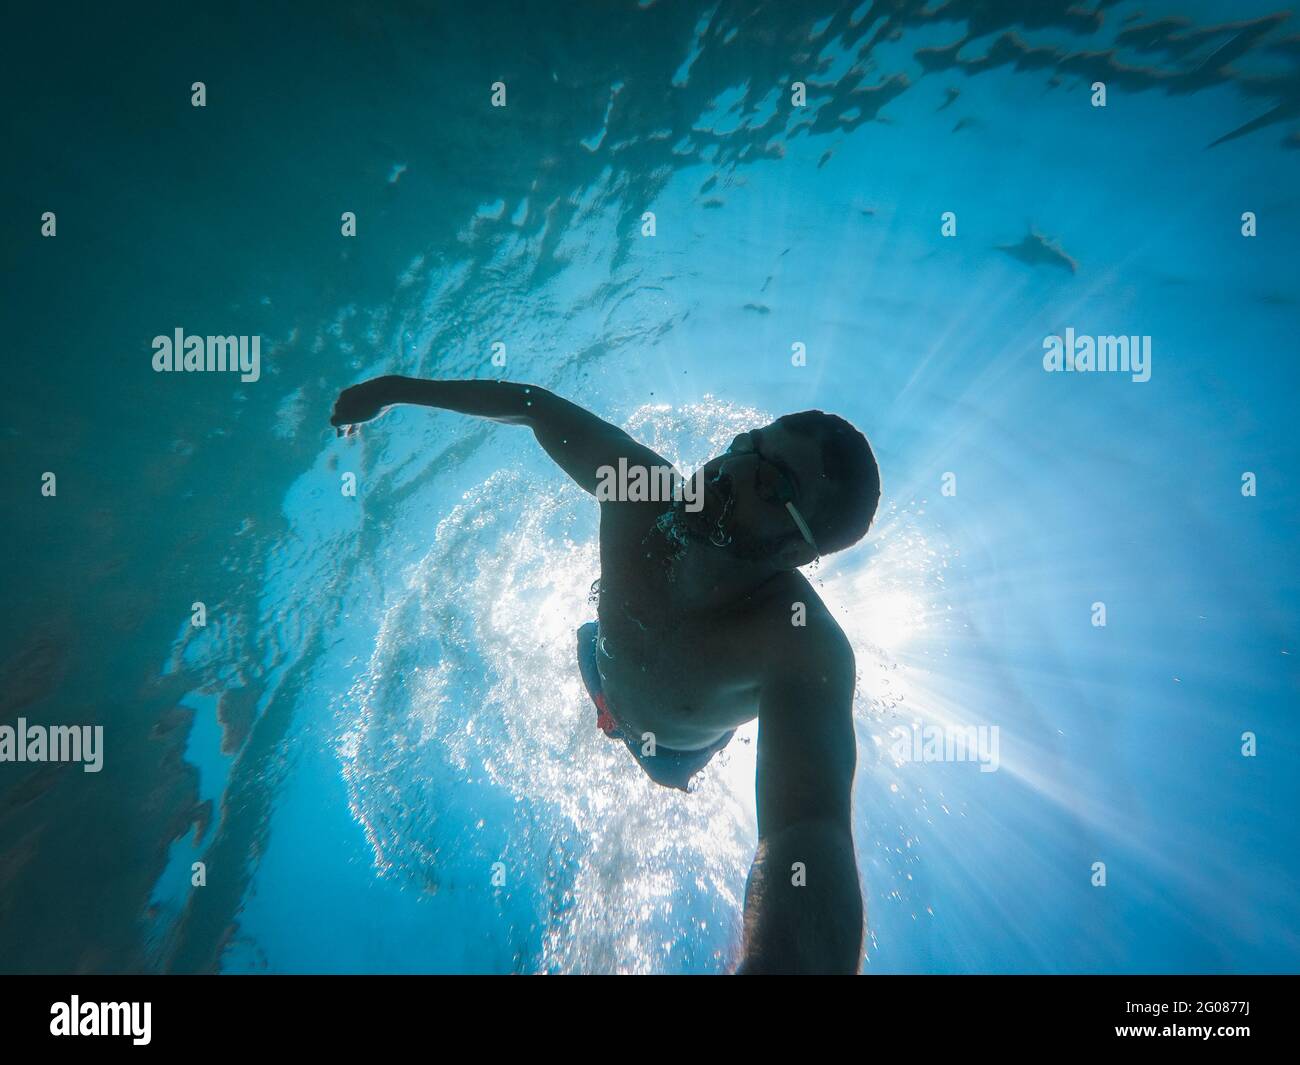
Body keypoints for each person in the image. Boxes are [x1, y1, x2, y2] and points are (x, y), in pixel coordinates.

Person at [330, 375, 881, 974]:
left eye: (774, 485)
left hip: (672, 752)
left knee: (669, 772)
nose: (732, 470)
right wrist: (393, 388)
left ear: (799, 552)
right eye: (749, 444)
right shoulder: (638, 488)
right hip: (601, 662)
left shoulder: (801, 646)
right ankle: (607, 708)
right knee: (589, 643)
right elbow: (532, 408)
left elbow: (810, 826)